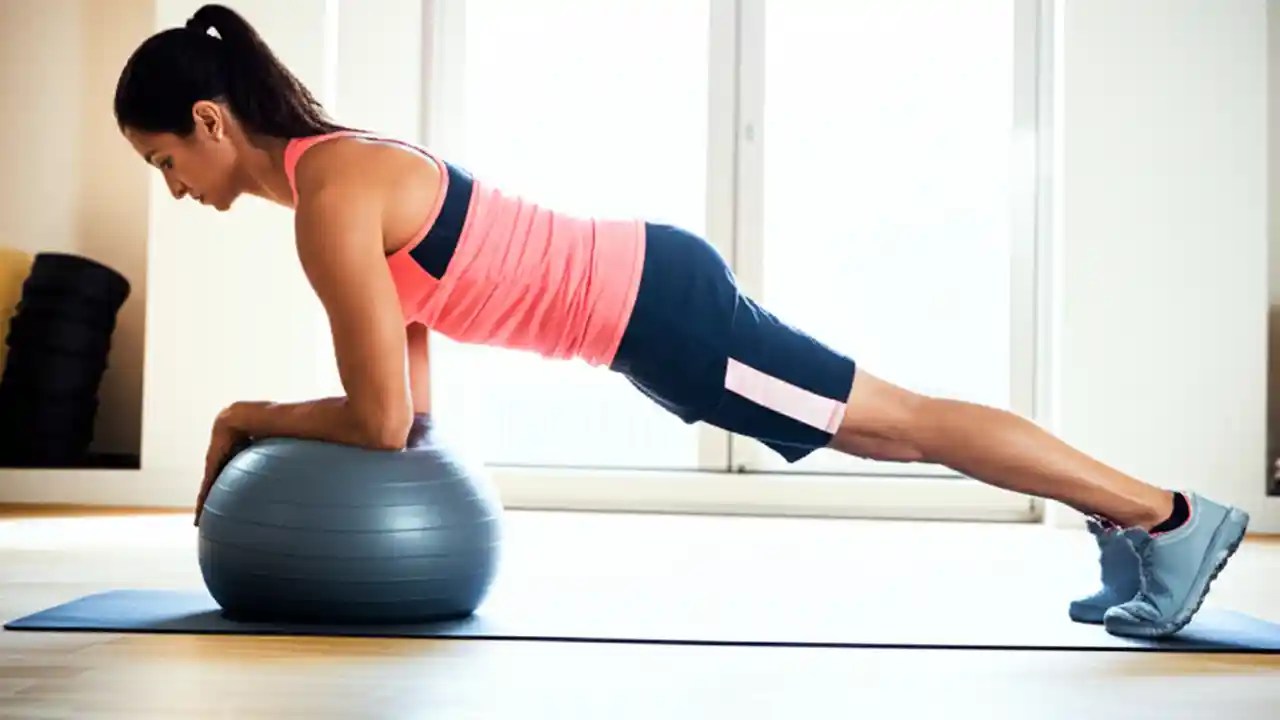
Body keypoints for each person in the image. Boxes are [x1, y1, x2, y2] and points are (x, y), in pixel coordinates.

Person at [113, 4, 1248, 639]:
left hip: (659, 312)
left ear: (211, 121)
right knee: (894, 419)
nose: (176, 189)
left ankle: (1164, 516)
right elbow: (406, 415)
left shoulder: (329, 200)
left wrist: (240, 417)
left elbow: (370, 425)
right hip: (648, 304)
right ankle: (1137, 525)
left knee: (898, 424)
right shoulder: (343, 174)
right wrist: (289, 420)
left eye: (166, 161)